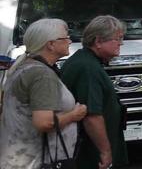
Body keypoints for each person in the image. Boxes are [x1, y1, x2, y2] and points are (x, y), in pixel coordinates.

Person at [0, 18, 87, 169]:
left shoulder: (24, 66)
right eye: (65, 37)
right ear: (51, 44)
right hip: (35, 161)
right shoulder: (42, 75)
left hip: (16, 159)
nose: (70, 41)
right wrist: (74, 115)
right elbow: (44, 122)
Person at [63, 14, 128, 169]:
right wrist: (105, 151)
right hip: (90, 154)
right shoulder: (88, 68)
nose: (121, 43)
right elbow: (92, 116)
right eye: (117, 39)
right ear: (98, 41)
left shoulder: (87, 62)